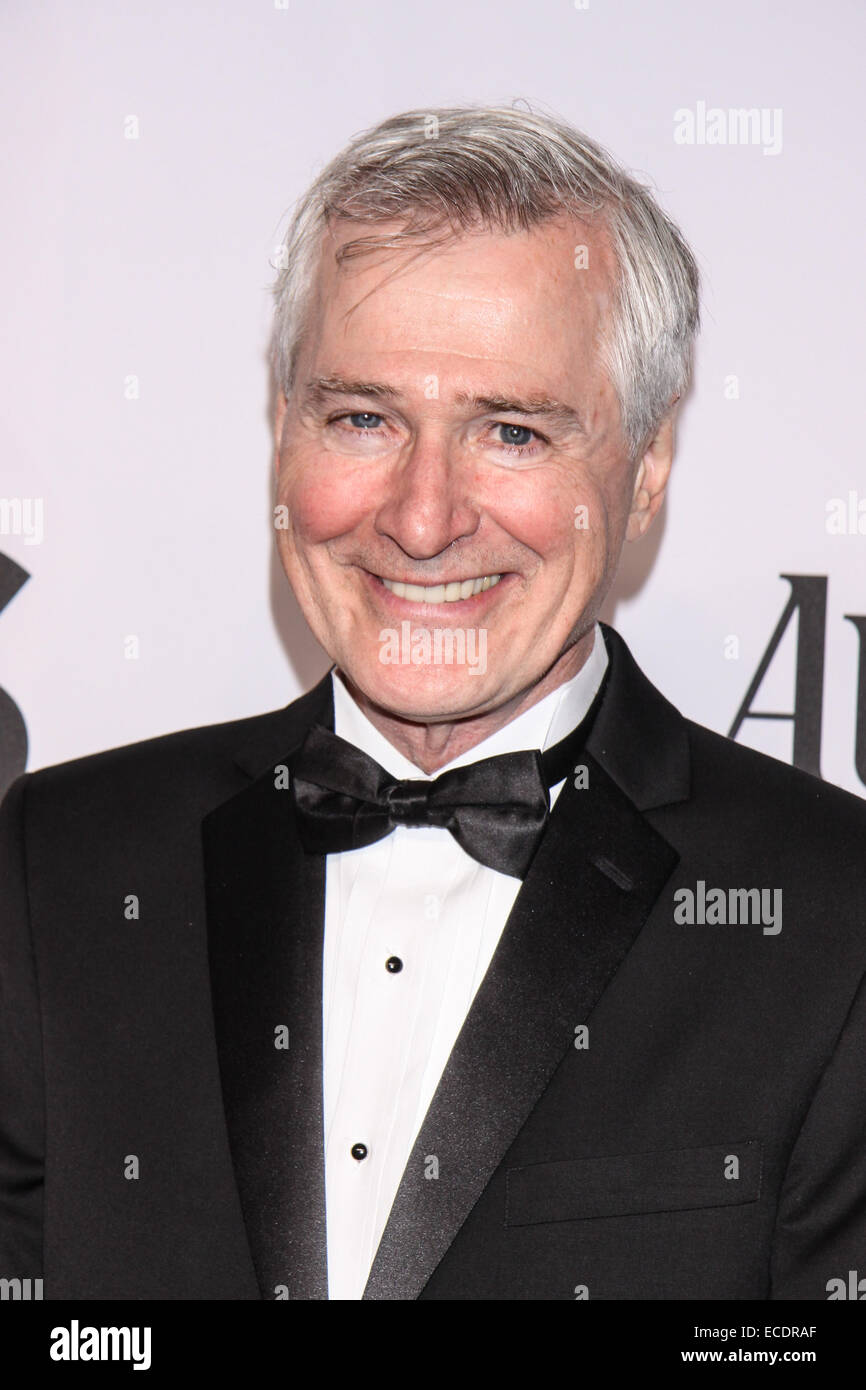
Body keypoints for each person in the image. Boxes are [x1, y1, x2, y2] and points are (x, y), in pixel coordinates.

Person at [2, 105, 865, 1302]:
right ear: (281, 424)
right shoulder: (61, 865)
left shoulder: (833, 917)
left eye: (510, 432)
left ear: (646, 466)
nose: (420, 516)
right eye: (363, 418)